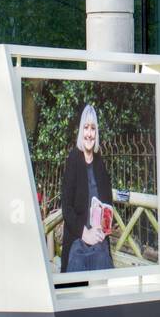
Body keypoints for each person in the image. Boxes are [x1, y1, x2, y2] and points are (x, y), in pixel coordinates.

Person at [60, 104, 115, 273]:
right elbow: (66, 207)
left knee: (103, 271)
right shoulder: (73, 159)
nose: (89, 134)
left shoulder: (100, 162)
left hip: (98, 240)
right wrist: (85, 234)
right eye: (86, 128)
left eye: (93, 128)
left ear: (96, 133)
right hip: (78, 238)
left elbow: (108, 204)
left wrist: (102, 230)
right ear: (81, 131)